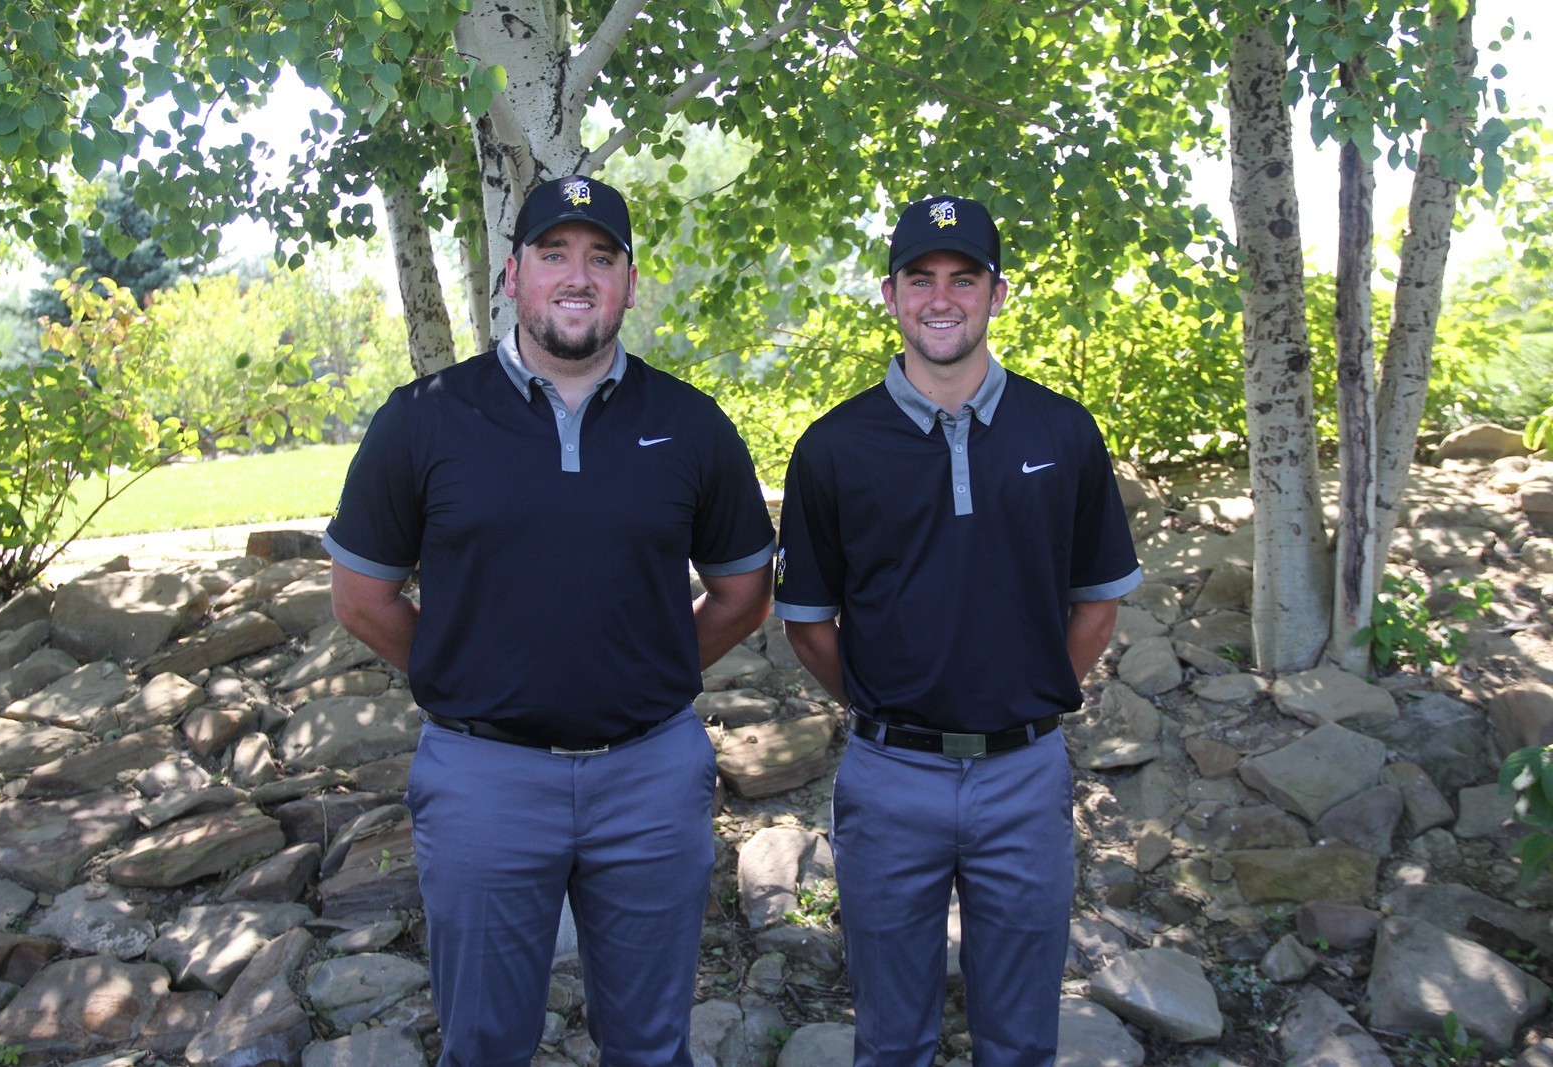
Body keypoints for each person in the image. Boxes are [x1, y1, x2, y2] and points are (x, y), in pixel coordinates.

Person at [324, 174, 775, 1067]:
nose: (579, 276)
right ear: (510, 274)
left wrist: (648, 671)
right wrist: (466, 673)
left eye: (601, 258)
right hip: (484, 779)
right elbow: (361, 598)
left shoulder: (690, 424)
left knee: (650, 1045)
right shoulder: (424, 420)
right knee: (486, 1044)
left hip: (649, 778)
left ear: (630, 282)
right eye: (555, 254)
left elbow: (742, 591)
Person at [773, 194, 1142, 1066]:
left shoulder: (1063, 431)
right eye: (921, 279)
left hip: (1025, 775)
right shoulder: (834, 446)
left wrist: (1028, 691)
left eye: (963, 278)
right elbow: (810, 625)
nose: (942, 298)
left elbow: (1097, 603)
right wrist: (884, 704)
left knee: (1019, 1041)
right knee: (891, 1038)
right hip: (889, 776)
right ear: (892, 296)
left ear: (997, 294)